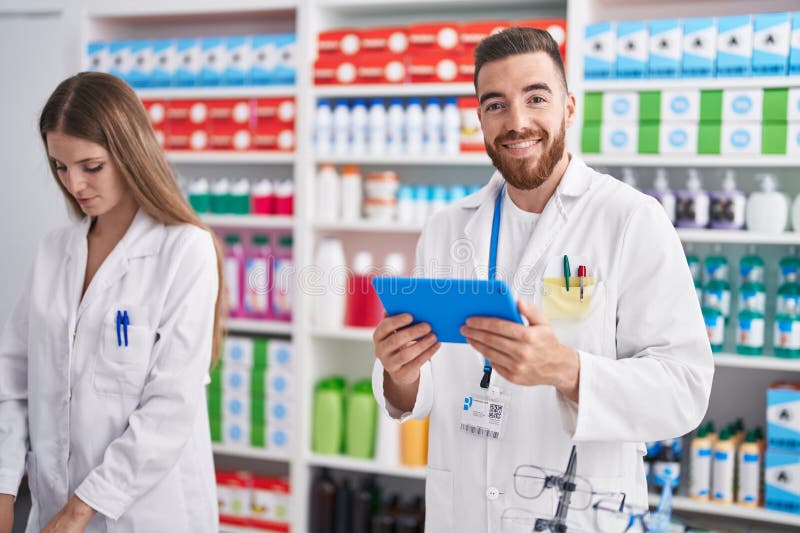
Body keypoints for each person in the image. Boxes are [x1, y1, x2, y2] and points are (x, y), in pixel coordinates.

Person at [372, 27, 714, 532]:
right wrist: (400, 372)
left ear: (569, 108)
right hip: (464, 512)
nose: (517, 122)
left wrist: (568, 370)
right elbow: (415, 395)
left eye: (536, 98)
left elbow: (685, 389)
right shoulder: (447, 227)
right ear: (480, 119)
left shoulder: (631, 219)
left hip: (579, 512)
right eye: (496, 105)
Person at [0, 72, 224, 533]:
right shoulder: (53, 251)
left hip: (149, 514)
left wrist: (80, 510)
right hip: (54, 507)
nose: (74, 184)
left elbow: (170, 405)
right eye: (60, 167)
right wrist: (4, 490)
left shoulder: (185, 250)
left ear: (129, 153)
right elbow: (13, 381)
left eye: (91, 166)